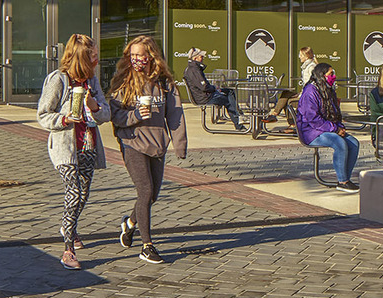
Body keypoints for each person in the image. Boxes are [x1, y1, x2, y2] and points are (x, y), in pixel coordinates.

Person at [108, 35, 186, 265]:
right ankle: (147, 246)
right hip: (132, 142)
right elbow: (115, 115)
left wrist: (179, 145)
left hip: (157, 144)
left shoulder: (165, 83)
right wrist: (134, 116)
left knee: (152, 196)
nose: (135, 60)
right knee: (145, 190)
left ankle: (129, 224)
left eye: (139, 55)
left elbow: (176, 115)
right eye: (132, 56)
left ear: (150, 56)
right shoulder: (123, 80)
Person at [35, 33, 109, 270]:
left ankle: (70, 226)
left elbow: (105, 113)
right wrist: (65, 118)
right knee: (74, 192)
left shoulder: (92, 81)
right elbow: (43, 114)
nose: (96, 62)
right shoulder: (59, 79)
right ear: (80, 58)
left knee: (83, 194)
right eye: (92, 57)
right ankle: (68, 249)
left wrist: (95, 107)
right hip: (65, 148)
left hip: (87, 144)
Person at [298, 61, 360, 189]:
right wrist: (335, 129)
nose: (333, 76)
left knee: (353, 143)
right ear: (322, 75)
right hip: (311, 131)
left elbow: (334, 112)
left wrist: (339, 127)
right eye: (330, 74)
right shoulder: (310, 91)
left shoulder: (327, 89)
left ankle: (345, 179)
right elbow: (313, 119)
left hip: (328, 128)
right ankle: (342, 182)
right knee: (339, 142)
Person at [181, 48, 243, 130]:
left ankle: (238, 115)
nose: (203, 58)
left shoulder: (194, 68)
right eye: (201, 56)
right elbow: (204, 87)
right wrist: (214, 88)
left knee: (229, 91)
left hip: (206, 95)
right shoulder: (194, 70)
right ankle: (238, 122)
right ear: (195, 58)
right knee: (226, 100)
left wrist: (215, 89)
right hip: (205, 98)